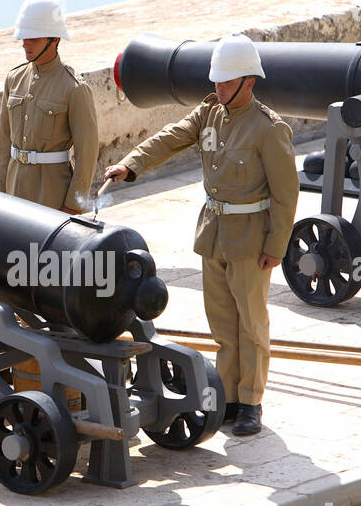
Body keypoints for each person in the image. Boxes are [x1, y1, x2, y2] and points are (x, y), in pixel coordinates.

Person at [103, 34, 297, 437]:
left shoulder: (268, 129)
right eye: (217, 81)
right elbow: (171, 137)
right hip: (214, 235)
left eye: (226, 82)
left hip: (250, 240)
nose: (218, 88)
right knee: (223, 326)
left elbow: (285, 194)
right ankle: (226, 398)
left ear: (249, 81)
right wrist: (130, 165)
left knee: (252, 326)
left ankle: (251, 403)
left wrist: (276, 246)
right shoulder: (209, 114)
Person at [0, 0, 98, 214]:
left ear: (54, 39)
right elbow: (3, 141)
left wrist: (73, 206)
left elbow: (86, 154)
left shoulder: (74, 89)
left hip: (52, 193)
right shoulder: (14, 79)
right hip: (13, 188)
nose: (25, 45)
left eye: (34, 39)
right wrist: (0, 190)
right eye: (24, 38)